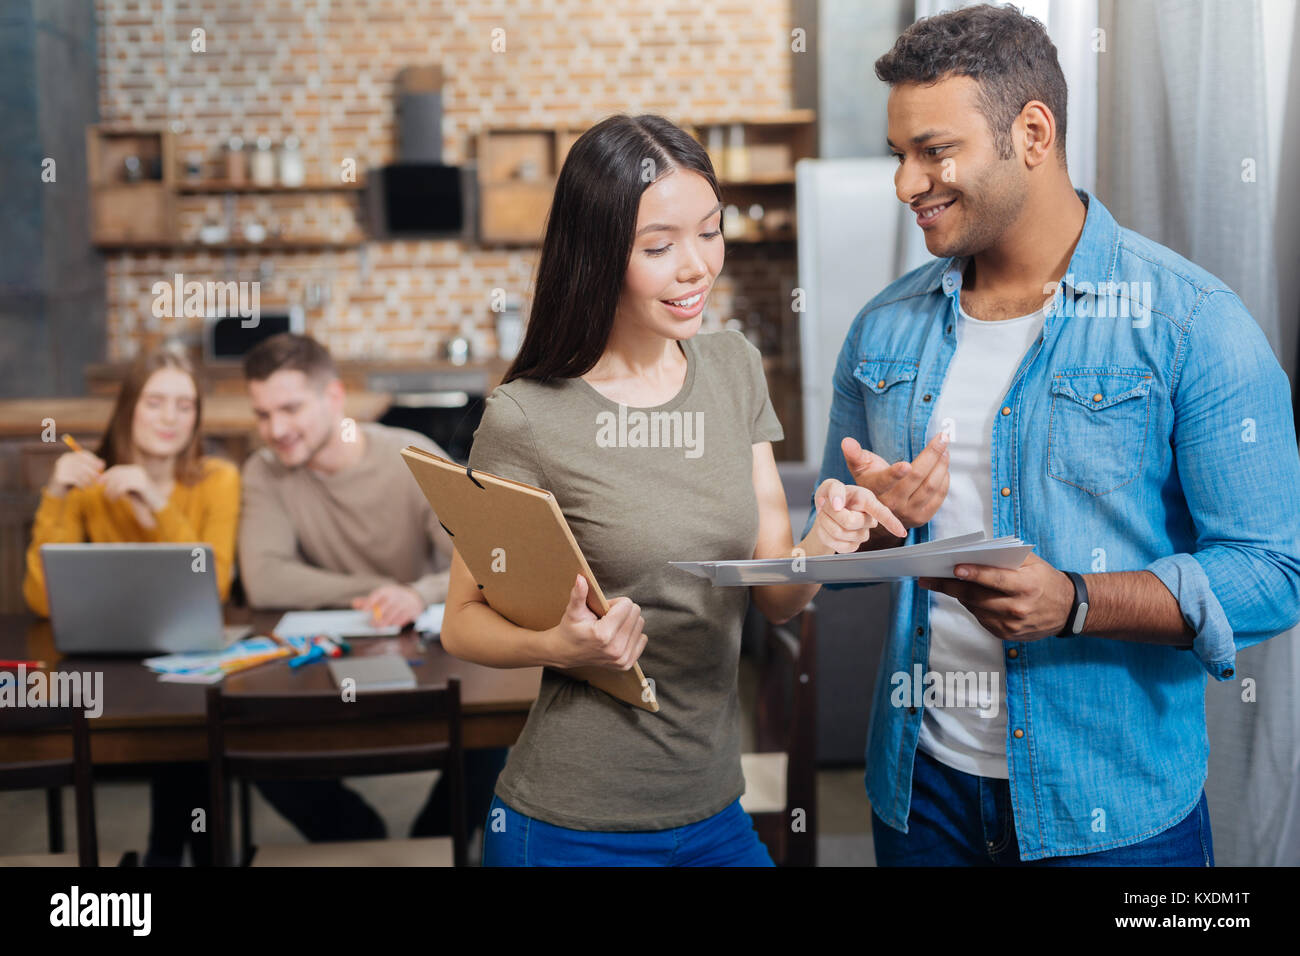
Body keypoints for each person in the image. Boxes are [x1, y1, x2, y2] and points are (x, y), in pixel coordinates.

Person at [804, 2, 1300, 866]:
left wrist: (1076, 602)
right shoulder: (883, 330)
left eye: (934, 152)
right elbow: (832, 563)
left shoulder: (1192, 323)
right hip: (921, 799)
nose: (906, 185)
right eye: (900, 157)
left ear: (1032, 131)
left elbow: (1272, 572)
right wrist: (858, 523)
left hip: (1115, 817)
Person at [440, 113, 904, 867]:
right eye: (659, 247)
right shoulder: (528, 415)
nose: (696, 267)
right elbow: (460, 621)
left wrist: (826, 541)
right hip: (570, 826)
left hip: (714, 810)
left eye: (710, 232)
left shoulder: (732, 368)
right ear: (597, 256)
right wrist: (558, 646)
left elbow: (774, 593)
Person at [237, 332, 505, 846]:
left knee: (489, 728)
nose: (277, 430)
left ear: (334, 398)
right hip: (317, 664)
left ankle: (436, 841)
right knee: (253, 743)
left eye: (290, 409)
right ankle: (358, 835)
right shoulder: (264, 472)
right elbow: (265, 578)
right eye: (263, 415)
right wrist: (378, 588)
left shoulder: (410, 456)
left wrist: (417, 593)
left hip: (424, 656)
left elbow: (481, 557)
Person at [24, 344, 240, 866]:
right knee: (183, 729)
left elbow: (211, 588)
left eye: (184, 406)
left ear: (197, 418)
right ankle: (185, 855)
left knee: (190, 717)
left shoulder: (217, 479)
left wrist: (158, 504)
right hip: (111, 665)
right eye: (154, 402)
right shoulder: (90, 487)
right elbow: (40, 599)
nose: (170, 418)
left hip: (187, 665)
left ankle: (162, 857)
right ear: (128, 409)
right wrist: (55, 495)